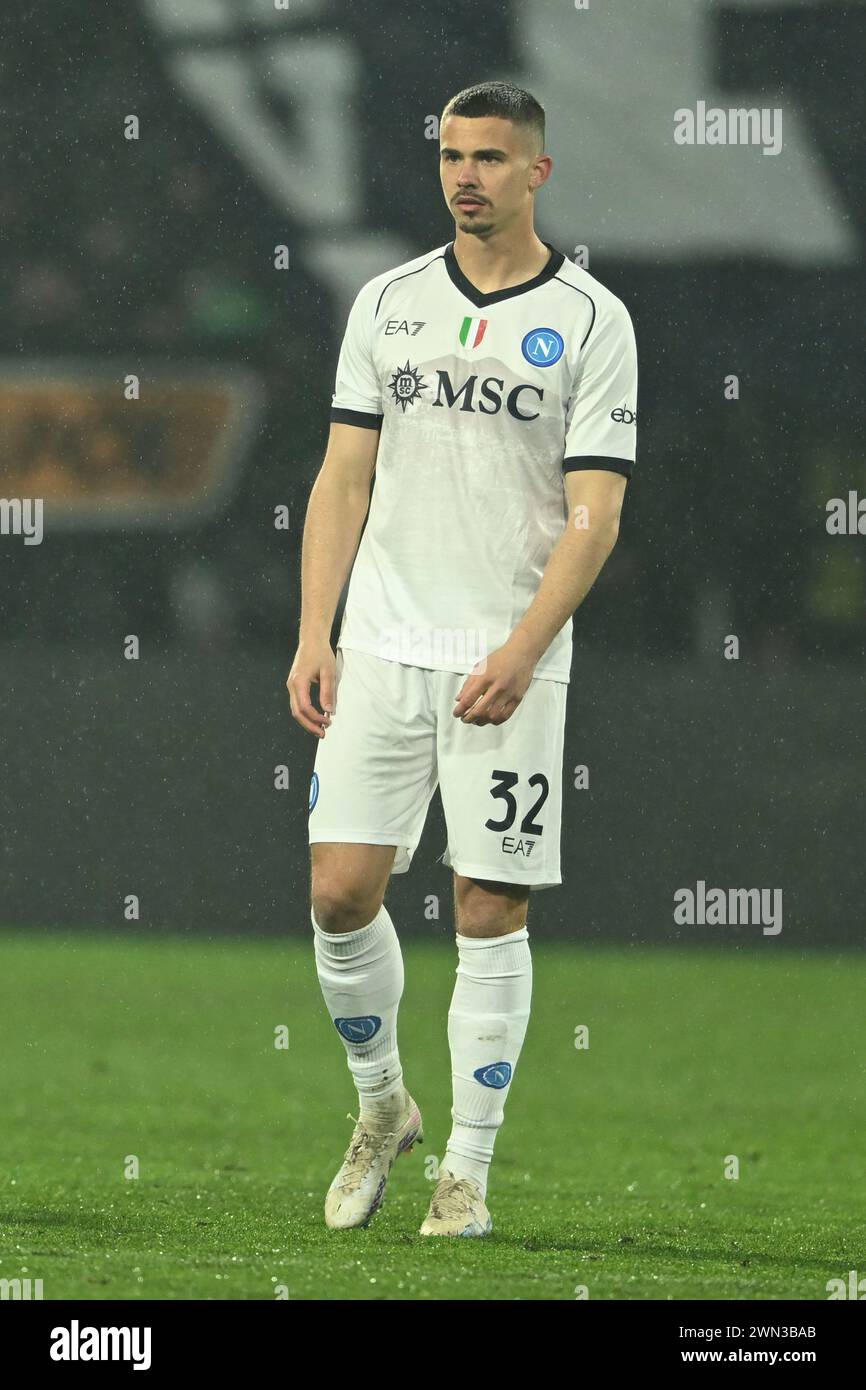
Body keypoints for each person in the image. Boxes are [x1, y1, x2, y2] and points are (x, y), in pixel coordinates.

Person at [287, 80, 638, 1237]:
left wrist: (526, 648)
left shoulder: (591, 321)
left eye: (490, 156)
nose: (464, 175)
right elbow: (342, 477)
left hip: (508, 658)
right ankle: (383, 1105)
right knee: (340, 893)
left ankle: (469, 1174)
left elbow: (592, 516)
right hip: (382, 641)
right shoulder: (387, 302)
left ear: (537, 171)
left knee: (487, 905)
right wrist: (315, 631)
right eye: (450, 154)